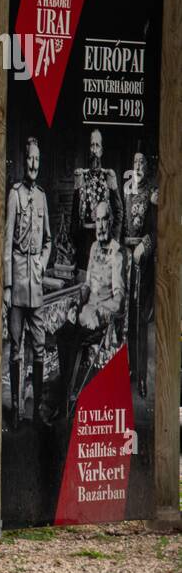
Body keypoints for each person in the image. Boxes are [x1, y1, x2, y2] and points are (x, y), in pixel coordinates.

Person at [3, 137, 53, 427]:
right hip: (18, 284)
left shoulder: (42, 197)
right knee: (15, 347)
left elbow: (48, 240)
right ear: (24, 161)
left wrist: (43, 262)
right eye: (30, 159)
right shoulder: (15, 195)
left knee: (40, 346)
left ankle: (36, 416)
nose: (33, 164)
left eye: (37, 159)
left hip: (36, 285)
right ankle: (16, 413)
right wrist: (7, 286)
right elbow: (7, 242)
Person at [58, 199, 124, 408]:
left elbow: (119, 300)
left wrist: (101, 311)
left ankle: (67, 396)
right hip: (85, 312)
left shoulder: (117, 254)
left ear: (110, 222)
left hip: (100, 320)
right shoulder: (94, 247)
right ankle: (65, 389)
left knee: (74, 338)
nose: (101, 226)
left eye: (105, 220)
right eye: (98, 220)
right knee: (62, 333)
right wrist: (75, 304)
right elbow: (87, 285)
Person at [121, 152, 156, 398]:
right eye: (135, 162)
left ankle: (142, 377)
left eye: (142, 163)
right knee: (128, 317)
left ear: (147, 166)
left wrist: (144, 247)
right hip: (126, 260)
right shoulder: (126, 192)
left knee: (141, 320)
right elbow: (122, 225)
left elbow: (155, 230)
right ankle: (131, 369)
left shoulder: (153, 194)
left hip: (143, 263)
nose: (138, 167)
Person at [73, 128, 118, 263]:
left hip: (104, 240)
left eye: (97, 145)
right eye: (92, 145)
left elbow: (119, 211)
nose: (94, 150)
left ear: (101, 151)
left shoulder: (108, 176)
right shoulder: (81, 176)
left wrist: (115, 239)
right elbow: (74, 214)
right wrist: (73, 244)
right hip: (84, 242)